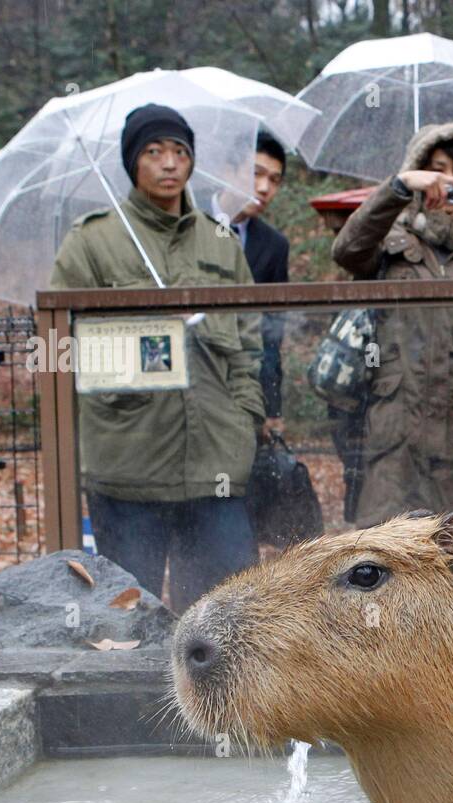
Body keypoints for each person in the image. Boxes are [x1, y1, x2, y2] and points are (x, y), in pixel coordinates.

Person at [49, 103, 265, 613]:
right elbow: (68, 343)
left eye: (180, 152)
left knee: (226, 617)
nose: (169, 163)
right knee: (126, 617)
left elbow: (251, 340)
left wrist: (245, 418)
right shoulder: (92, 241)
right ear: (133, 163)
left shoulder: (220, 240)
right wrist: (153, 342)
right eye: (153, 152)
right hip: (129, 462)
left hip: (215, 460)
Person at [330, 122, 453, 531]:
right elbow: (347, 250)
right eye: (438, 169)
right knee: (379, 559)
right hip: (390, 436)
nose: (449, 182)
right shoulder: (390, 241)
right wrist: (399, 186)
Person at [229, 130, 291, 437]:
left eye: (275, 180)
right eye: (256, 174)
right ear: (228, 169)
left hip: (246, 384)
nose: (264, 187)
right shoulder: (191, 222)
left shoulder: (274, 245)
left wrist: (272, 405)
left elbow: (272, 334)